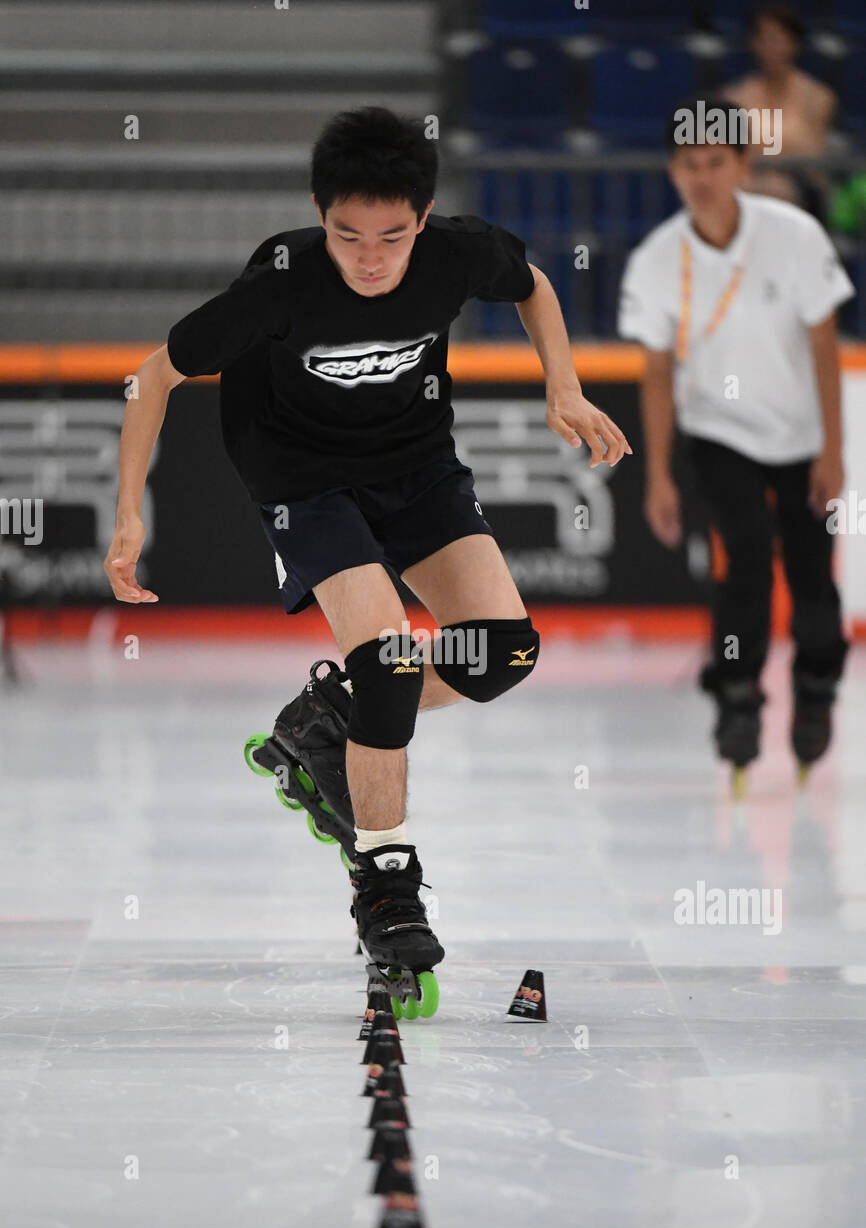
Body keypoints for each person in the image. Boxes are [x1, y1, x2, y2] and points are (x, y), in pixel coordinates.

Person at [103, 105, 630, 1011]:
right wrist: (125, 521)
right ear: (320, 215)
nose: (371, 257)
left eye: (391, 236)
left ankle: (327, 718)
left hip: (416, 467)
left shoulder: (459, 254)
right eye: (347, 235)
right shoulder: (280, 280)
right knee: (388, 656)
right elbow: (153, 376)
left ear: (424, 221)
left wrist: (564, 384)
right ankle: (385, 887)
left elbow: (534, 282)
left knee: (502, 651)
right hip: (301, 478)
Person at [618, 92, 854, 791]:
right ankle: (738, 697)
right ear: (672, 169)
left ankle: (815, 691)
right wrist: (657, 472)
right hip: (719, 436)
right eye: (688, 164)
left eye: (716, 162)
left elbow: (823, 347)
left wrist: (834, 450)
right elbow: (655, 374)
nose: (702, 177)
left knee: (813, 582)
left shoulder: (794, 235)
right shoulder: (657, 259)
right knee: (744, 560)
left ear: (745, 164)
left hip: (803, 437)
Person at [723, 4, 836, 220]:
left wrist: (769, 155)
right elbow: (731, 154)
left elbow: (815, 160)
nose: (770, 48)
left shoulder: (818, 97)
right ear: (753, 44)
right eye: (763, 39)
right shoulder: (735, 97)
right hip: (747, 189)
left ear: (794, 44)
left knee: (776, 189)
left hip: (800, 192)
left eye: (777, 39)